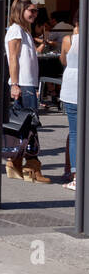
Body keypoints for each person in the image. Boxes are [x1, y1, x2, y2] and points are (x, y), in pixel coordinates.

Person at [7, 0, 50, 183]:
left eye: (36, 11)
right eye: (30, 10)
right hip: (23, 84)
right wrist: (15, 84)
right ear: (20, 10)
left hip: (28, 84)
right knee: (30, 126)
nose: (34, 14)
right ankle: (32, 165)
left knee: (25, 127)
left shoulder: (24, 31)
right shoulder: (16, 30)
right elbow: (13, 58)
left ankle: (16, 162)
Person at [61, 12, 79, 191]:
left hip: (71, 88)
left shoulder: (69, 40)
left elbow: (63, 60)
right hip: (81, 87)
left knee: (74, 133)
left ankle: (75, 175)